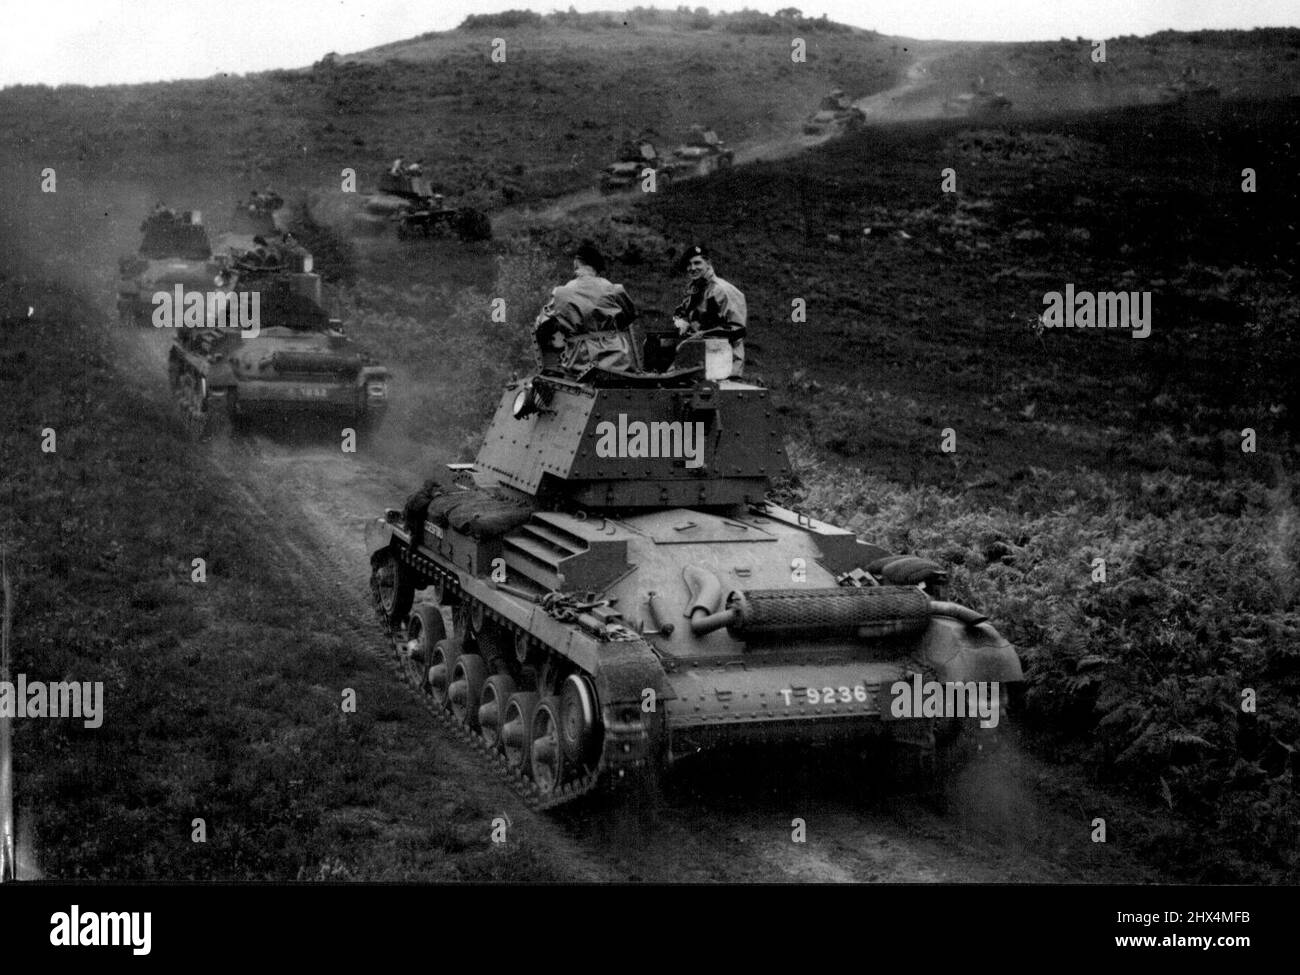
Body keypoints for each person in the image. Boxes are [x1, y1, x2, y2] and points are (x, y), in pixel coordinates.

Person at [533, 242, 637, 374]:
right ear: (597, 269)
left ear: (576, 263)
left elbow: (541, 326)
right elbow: (629, 316)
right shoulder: (614, 289)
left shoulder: (561, 293)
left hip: (581, 363)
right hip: (619, 362)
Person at [672, 244, 746, 377]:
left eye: (697, 263)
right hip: (699, 360)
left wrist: (702, 334)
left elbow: (737, 329)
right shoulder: (695, 290)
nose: (692, 268)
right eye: (689, 264)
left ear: (708, 263)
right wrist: (680, 322)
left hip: (724, 364)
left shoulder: (723, 290)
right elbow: (682, 311)